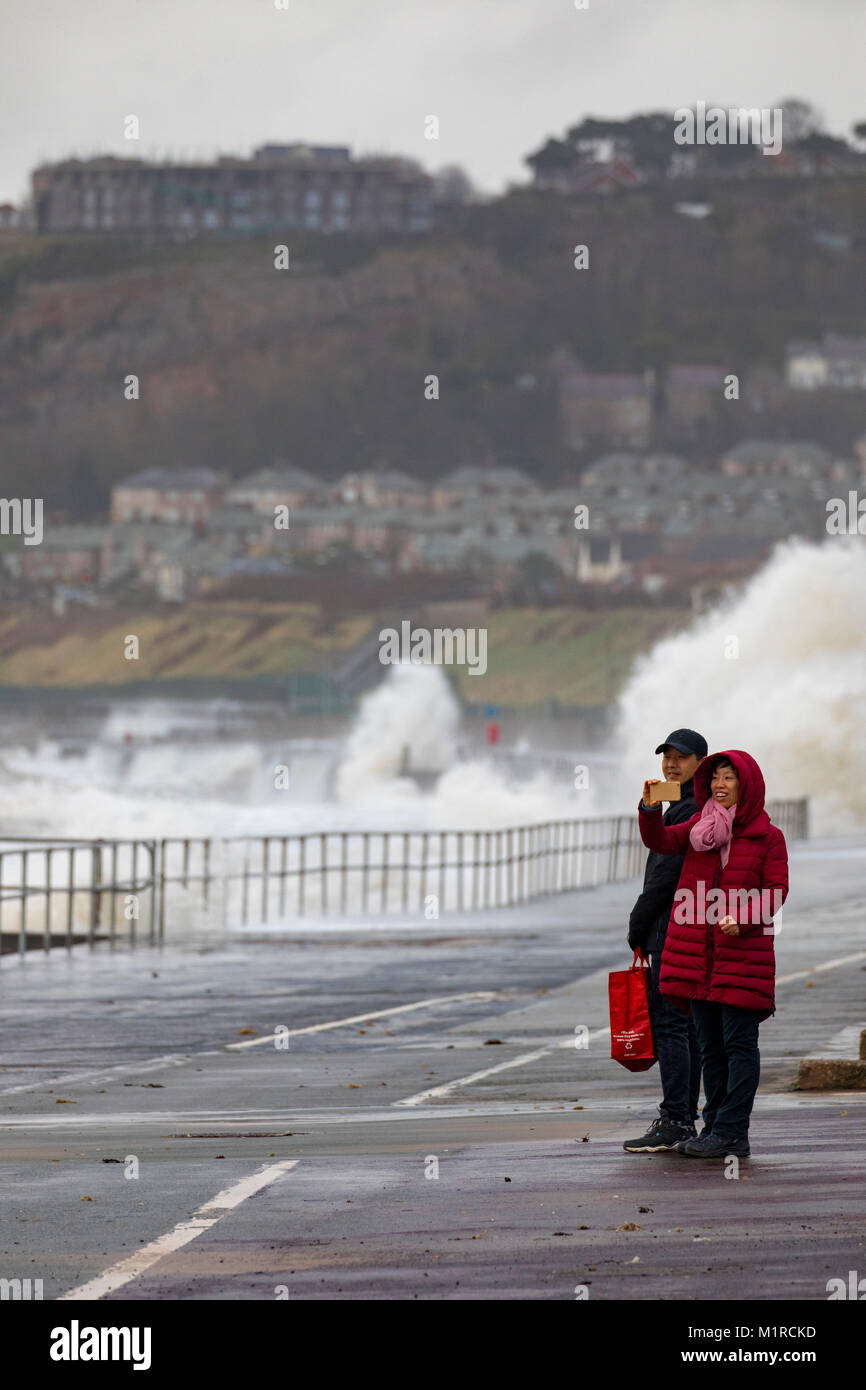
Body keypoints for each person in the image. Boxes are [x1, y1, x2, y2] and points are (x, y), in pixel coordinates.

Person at [638, 749, 789, 1158]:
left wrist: (744, 916)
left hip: (743, 959)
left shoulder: (767, 837)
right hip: (698, 961)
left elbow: (776, 890)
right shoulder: (700, 828)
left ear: (747, 785)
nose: (720, 786)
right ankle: (714, 1129)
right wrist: (650, 809)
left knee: (739, 1046)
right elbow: (660, 840)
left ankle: (733, 1132)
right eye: (716, 779)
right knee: (710, 1049)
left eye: (729, 779)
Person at [622, 728, 707, 1153]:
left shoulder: (689, 809)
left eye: (681, 757)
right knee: (687, 1027)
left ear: (699, 764)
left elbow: (663, 877)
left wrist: (638, 924)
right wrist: (649, 807)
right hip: (682, 930)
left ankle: (676, 1118)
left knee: (672, 1025)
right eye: (667, 756)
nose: (671, 764)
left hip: (667, 931)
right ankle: (684, 1118)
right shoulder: (683, 806)